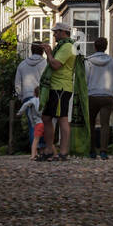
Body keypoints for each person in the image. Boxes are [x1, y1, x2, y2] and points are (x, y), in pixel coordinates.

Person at [43, 22, 77, 161]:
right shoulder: (63, 46)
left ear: (63, 32)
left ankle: (60, 151)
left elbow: (56, 64)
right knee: (48, 117)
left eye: (56, 32)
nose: (54, 34)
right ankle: (51, 149)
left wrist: (49, 54)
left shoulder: (67, 47)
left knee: (61, 118)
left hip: (60, 87)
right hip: (57, 87)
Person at [83, 37, 113, 160]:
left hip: (92, 95)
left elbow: (85, 80)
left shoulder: (88, 61)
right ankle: (104, 151)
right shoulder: (112, 62)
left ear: (94, 47)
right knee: (105, 124)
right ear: (106, 47)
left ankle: (92, 150)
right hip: (107, 95)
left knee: (91, 124)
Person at [15, 43, 48, 155]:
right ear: (42, 51)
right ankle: (43, 147)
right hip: (42, 96)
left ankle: (34, 149)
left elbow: (17, 84)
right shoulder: (45, 63)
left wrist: (21, 95)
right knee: (45, 122)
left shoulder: (22, 64)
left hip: (27, 96)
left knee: (32, 124)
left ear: (31, 50)